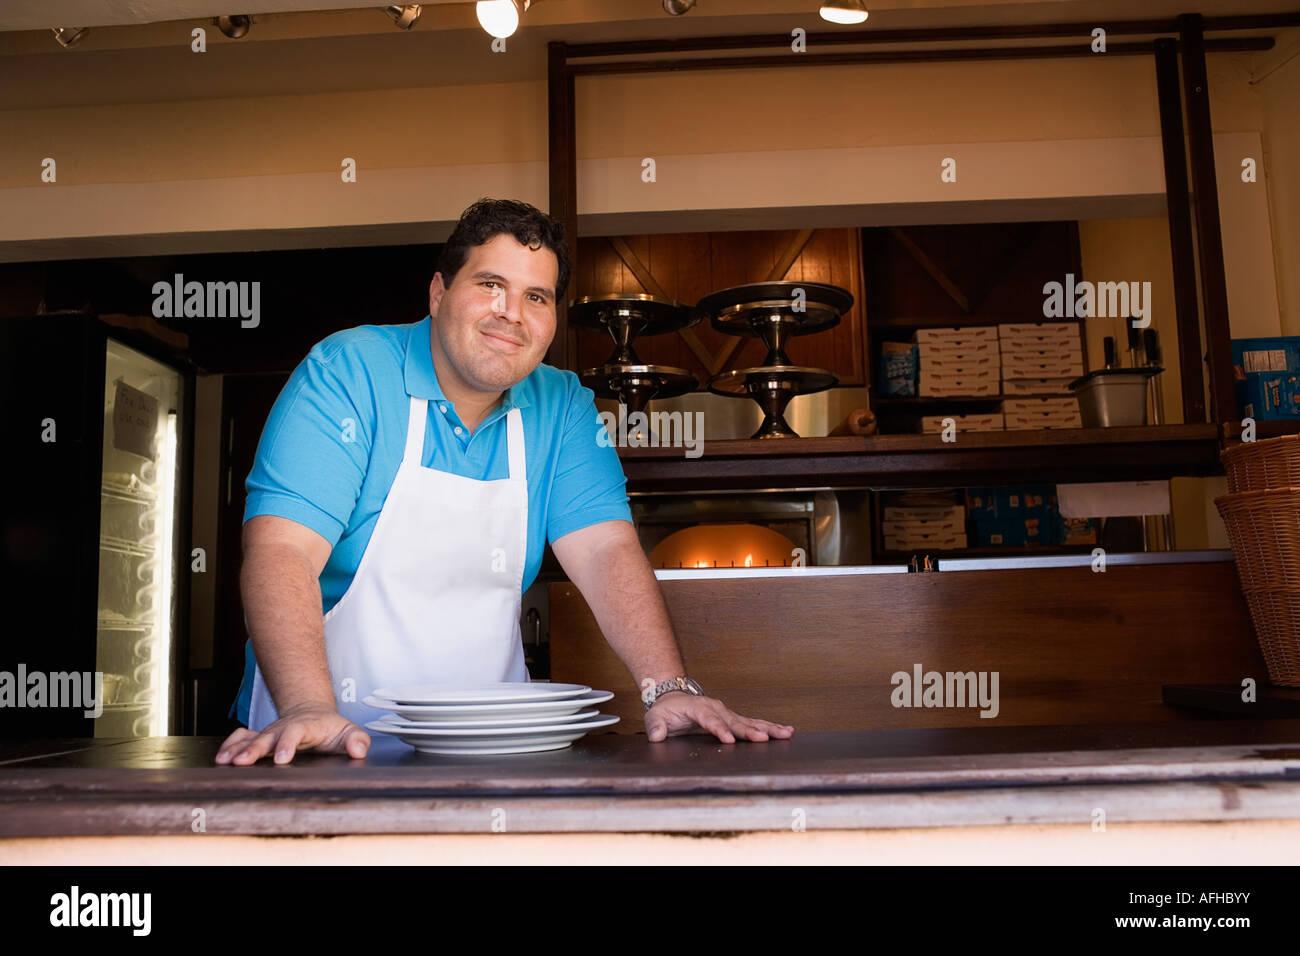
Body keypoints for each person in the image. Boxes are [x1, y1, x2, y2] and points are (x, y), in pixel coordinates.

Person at [215, 198, 794, 765]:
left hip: (488, 750)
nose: (511, 312)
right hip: (323, 745)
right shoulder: (350, 372)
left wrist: (666, 686)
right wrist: (309, 706)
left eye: (535, 296)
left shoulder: (561, 404)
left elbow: (604, 549)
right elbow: (282, 550)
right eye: (491, 284)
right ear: (439, 292)